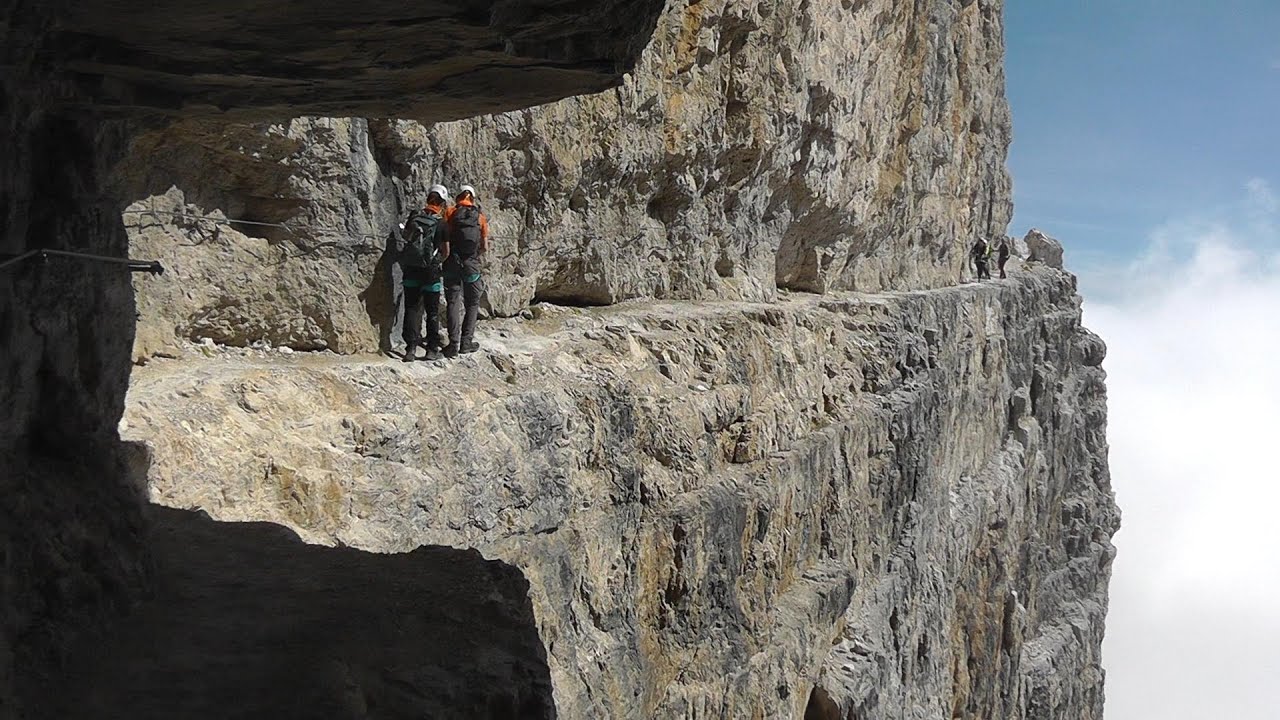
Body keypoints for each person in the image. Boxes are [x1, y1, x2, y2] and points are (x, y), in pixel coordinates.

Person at [399, 184, 450, 362]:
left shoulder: (415, 216)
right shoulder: (442, 224)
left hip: (411, 270)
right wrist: (437, 263)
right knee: (432, 311)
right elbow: (446, 252)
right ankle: (431, 349)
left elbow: (406, 236)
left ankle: (410, 350)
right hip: (431, 273)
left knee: (412, 308)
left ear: (428, 199)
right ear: (442, 203)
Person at [443, 184, 489, 357]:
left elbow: (444, 238)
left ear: (458, 197)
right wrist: (474, 256)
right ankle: (466, 342)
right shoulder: (480, 218)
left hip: (452, 263)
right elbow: (484, 246)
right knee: (472, 302)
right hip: (471, 264)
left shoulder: (449, 212)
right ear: (473, 199)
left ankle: (453, 344)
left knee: (453, 301)